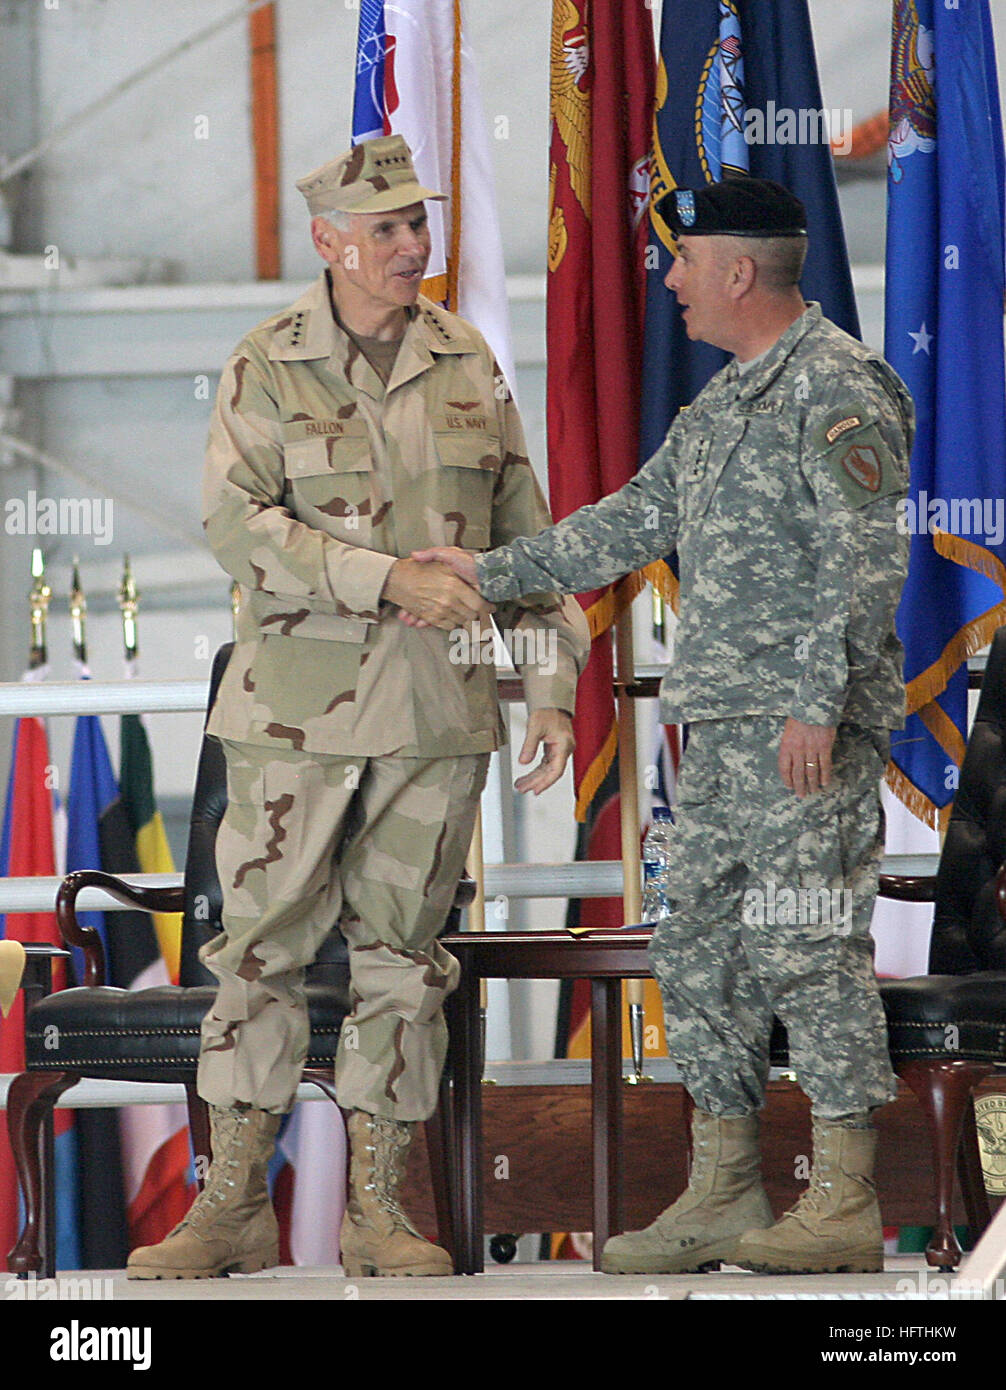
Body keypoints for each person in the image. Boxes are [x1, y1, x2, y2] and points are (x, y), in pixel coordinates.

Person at [415, 176, 915, 1276]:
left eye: (685, 259)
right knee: (696, 953)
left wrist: (813, 701)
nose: (671, 278)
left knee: (805, 947)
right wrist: (488, 570)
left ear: (740, 271)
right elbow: (627, 523)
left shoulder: (836, 388)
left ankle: (839, 1195)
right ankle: (724, 1186)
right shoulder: (723, 403)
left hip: (802, 731)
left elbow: (866, 561)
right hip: (724, 729)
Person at [126, 134, 589, 1280]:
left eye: (417, 226)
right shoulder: (265, 364)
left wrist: (551, 682)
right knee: (260, 954)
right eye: (383, 230)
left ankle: (378, 1209)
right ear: (329, 243)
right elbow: (240, 527)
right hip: (294, 723)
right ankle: (231, 1201)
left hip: (436, 721)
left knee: (400, 960)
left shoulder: (468, 361)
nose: (409, 246)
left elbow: (529, 542)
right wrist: (385, 578)